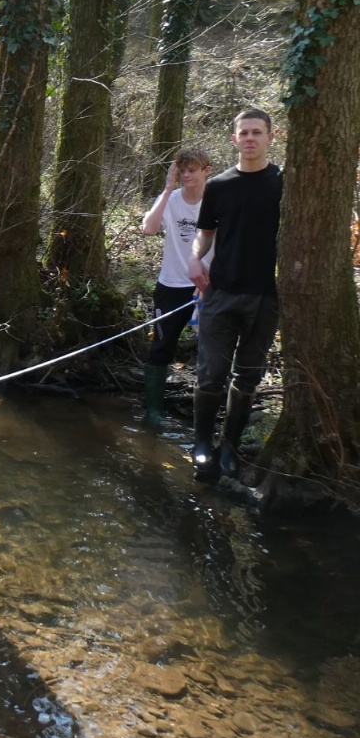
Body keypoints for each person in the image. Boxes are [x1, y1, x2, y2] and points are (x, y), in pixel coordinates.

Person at [188, 108, 282, 481]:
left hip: (266, 294)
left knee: (247, 376)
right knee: (210, 373)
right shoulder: (219, 186)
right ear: (234, 139)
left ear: (271, 137)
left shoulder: (284, 183)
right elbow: (205, 233)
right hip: (221, 292)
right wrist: (195, 258)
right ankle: (201, 444)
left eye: (257, 132)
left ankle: (230, 448)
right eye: (243, 133)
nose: (250, 138)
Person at [140, 148, 213, 422]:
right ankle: (153, 412)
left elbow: (224, 244)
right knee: (161, 346)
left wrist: (207, 281)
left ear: (207, 171)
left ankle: (205, 415)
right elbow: (149, 228)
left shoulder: (216, 201)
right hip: (170, 286)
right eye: (182, 171)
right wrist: (168, 189)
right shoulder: (170, 199)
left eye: (192, 170)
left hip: (206, 285)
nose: (186, 175)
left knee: (211, 350)